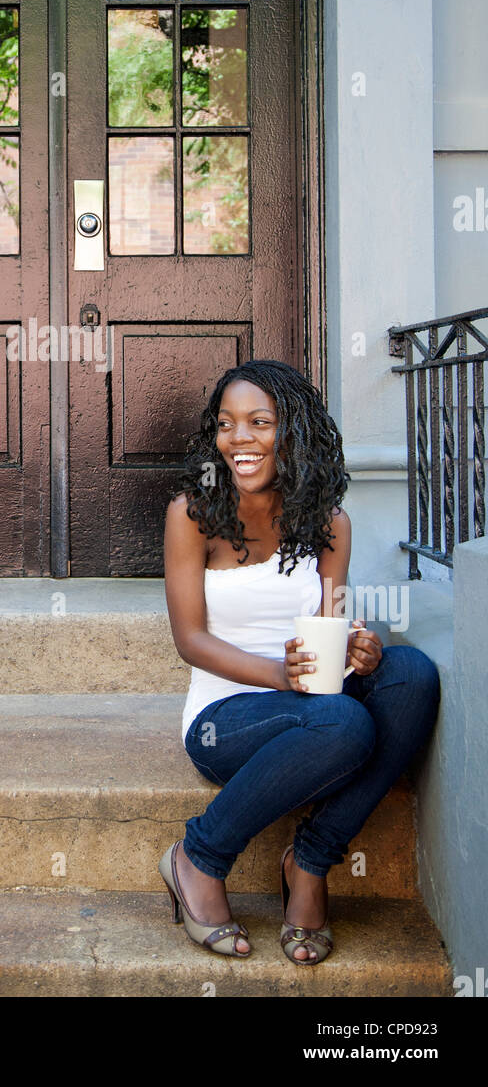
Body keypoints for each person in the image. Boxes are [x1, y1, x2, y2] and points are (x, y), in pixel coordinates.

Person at [160, 359, 441, 964]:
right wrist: (277, 676)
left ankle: (309, 861)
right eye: (227, 424)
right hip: (227, 715)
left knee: (410, 675)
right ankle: (199, 856)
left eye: (259, 422)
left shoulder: (329, 524)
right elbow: (190, 639)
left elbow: (329, 626)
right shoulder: (193, 514)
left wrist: (358, 653)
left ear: (294, 431)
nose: (240, 439)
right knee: (342, 723)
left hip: (312, 703)